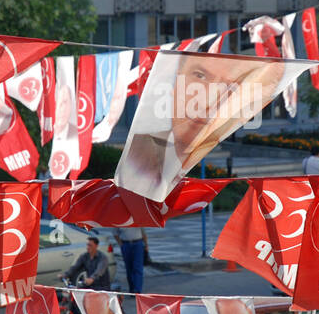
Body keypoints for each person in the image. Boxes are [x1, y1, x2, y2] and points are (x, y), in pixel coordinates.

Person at [116, 51, 286, 201]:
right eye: (200, 76)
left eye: (231, 88)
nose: (209, 100)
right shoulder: (137, 153)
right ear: (174, 84)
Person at [116, 226, 145, 293]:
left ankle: (137, 290)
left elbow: (143, 232)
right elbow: (115, 233)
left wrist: (146, 245)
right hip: (126, 244)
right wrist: (121, 244)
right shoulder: (118, 219)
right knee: (129, 268)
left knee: (137, 267)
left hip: (137, 243)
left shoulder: (138, 218)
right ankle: (132, 288)